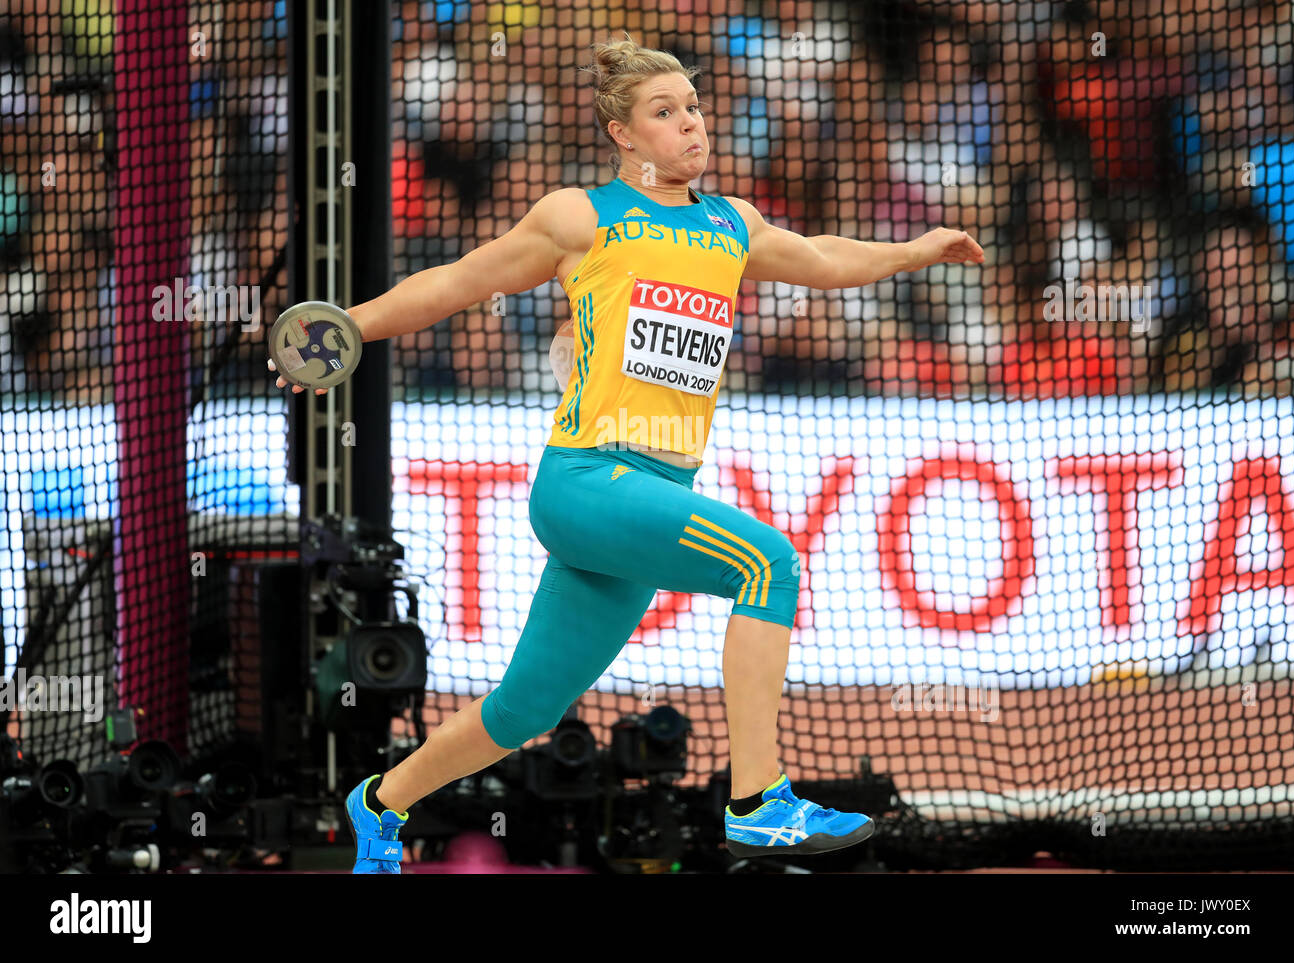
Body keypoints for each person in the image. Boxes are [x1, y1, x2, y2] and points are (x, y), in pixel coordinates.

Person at [271, 37, 983, 873]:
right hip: (585, 481)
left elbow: (822, 257)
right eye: (664, 112)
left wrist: (914, 250)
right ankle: (758, 801)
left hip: (651, 491)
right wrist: (350, 325)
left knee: (526, 707)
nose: (689, 123)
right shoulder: (582, 217)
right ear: (622, 134)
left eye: (692, 106)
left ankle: (379, 802)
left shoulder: (731, 224)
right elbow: (460, 280)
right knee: (769, 564)